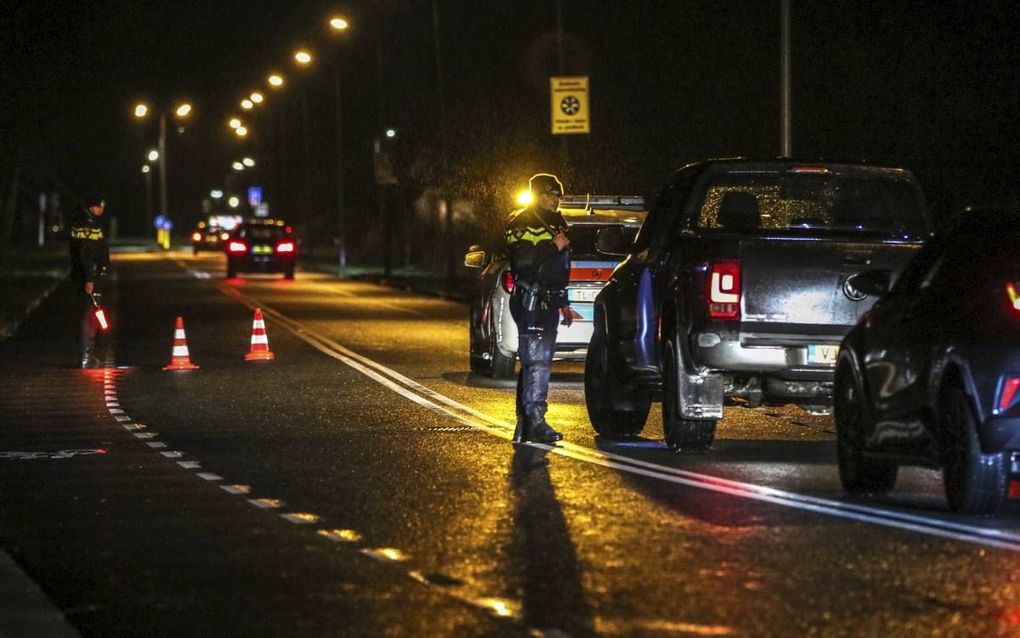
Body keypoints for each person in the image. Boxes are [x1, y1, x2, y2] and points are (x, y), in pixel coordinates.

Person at [504, 173, 578, 444]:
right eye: (549, 194)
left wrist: (564, 303)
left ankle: (526, 421)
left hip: (547, 301)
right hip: (530, 300)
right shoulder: (521, 222)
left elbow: (557, 270)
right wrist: (552, 246)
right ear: (536, 195)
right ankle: (535, 421)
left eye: (557, 195)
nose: (555, 199)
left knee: (538, 361)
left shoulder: (556, 222)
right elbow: (523, 262)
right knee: (536, 361)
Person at [69, 192, 110, 368]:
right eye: (101, 205)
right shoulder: (88, 226)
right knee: (90, 316)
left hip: (85, 276)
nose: (102, 209)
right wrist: (90, 278)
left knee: (89, 314)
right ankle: (86, 356)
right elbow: (86, 254)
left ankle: (87, 353)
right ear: (94, 206)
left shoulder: (82, 222)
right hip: (89, 277)